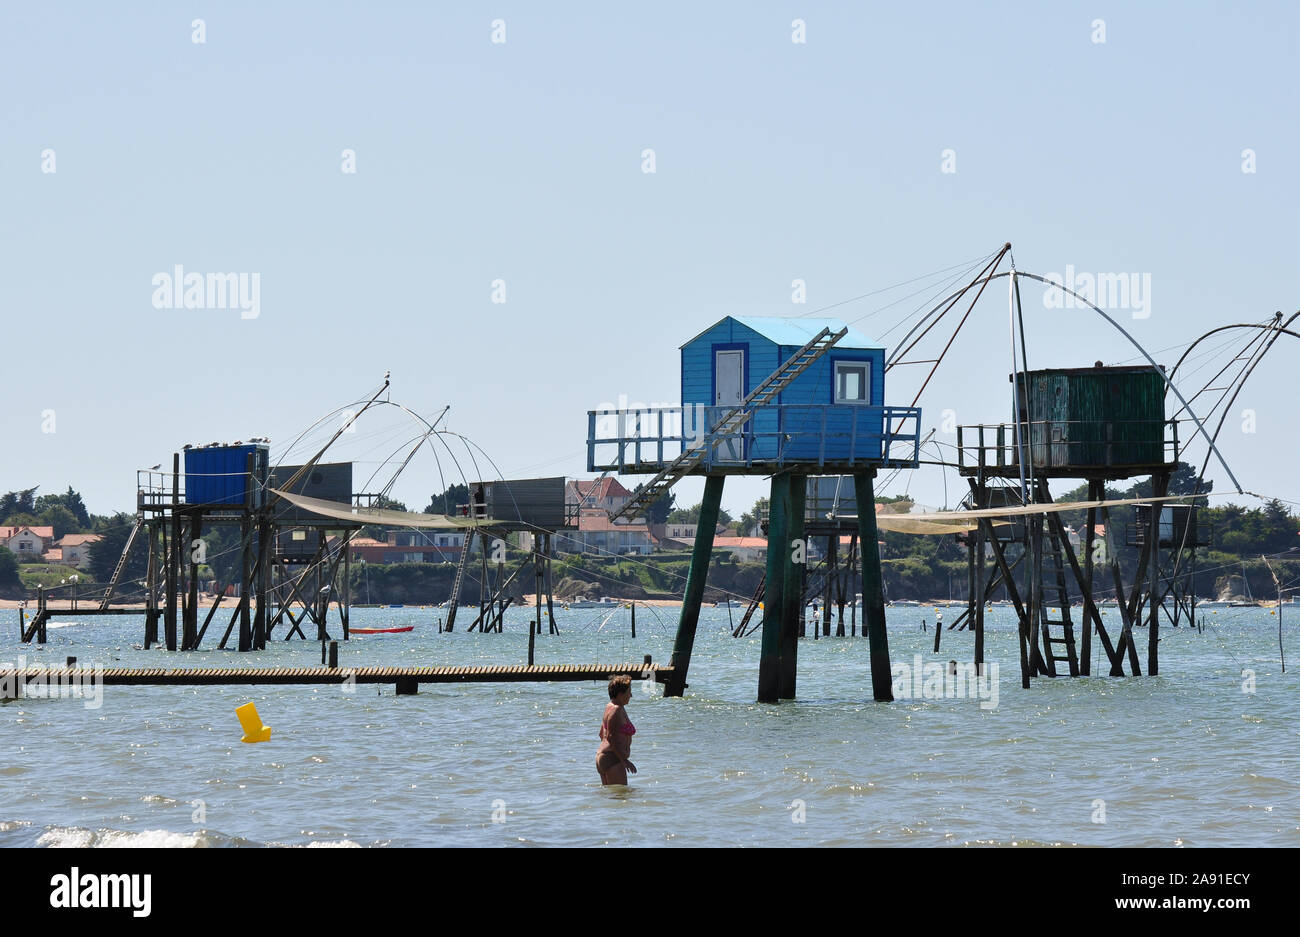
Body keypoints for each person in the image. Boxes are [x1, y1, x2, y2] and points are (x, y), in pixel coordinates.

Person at [596, 674, 637, 785]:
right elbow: (610, 737)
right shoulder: (616, 711)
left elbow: (601, 734)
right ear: (620, 694)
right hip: (612, 759)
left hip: (606, 757)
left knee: (612, 799)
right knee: (621, 798)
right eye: (629, 692)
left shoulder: (609, 706)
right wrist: (623, 760)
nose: (631, 695)